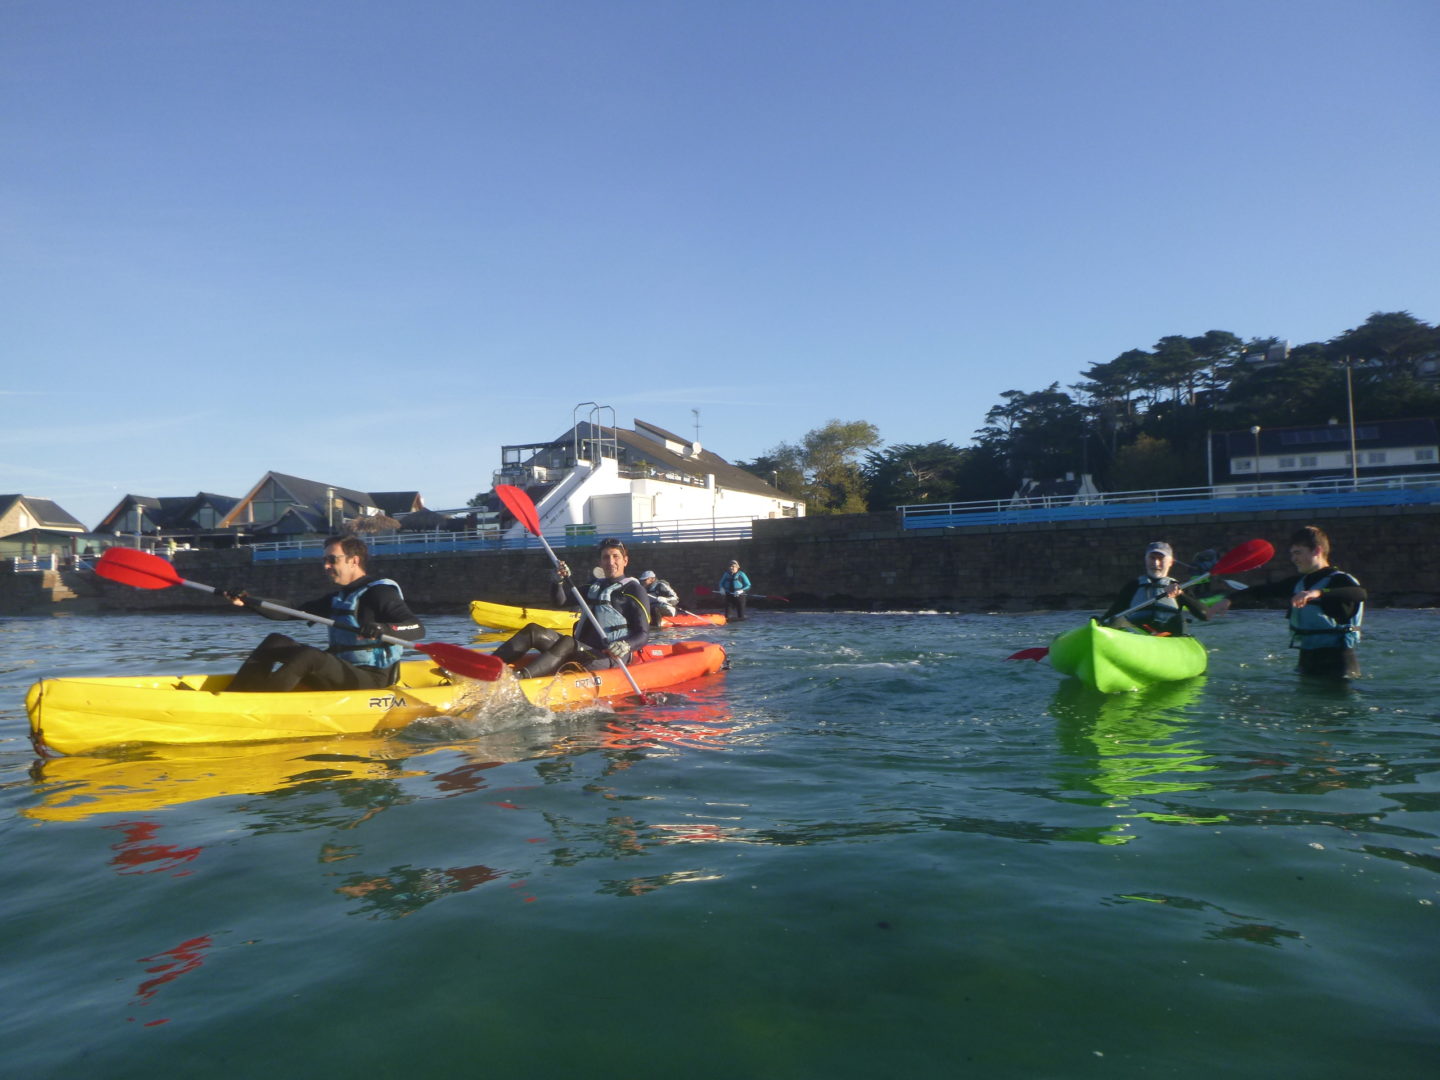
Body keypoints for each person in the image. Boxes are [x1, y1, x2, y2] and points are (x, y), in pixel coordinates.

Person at [224, 534, 424, 692]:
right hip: (342, 670)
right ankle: (237, 693)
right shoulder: (339, 597)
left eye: (332, 559)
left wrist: (383, 628)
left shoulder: (380, 592)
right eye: (324, 560)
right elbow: (291, 611)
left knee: (310, 656)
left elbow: (416, 627)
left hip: (373, 678)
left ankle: (262, 706)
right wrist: (249, 601)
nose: (326, 565)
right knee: (275, 642)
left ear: (354, 561)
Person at [1214, 525, 1366, 679]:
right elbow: (1261, 591)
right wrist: (1229, 599)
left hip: (1339, 663)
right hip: (1306, 660)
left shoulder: (1340, 579)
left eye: (1298, 552)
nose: (1294, 559)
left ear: (1317, 551)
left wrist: (1318, 593)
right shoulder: (1299, 583)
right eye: (1292, 553)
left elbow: (1359, 593)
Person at [492, 537, 650, 677]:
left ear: (625, 560)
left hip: (607, 657)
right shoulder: (592, 587)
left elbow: (643, 634)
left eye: (616, 556)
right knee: (533, 631)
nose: (610, 562)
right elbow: (560, 602)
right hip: (580, 651)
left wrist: (626, 645)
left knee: (567, 642)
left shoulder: (635, 590)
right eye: (605, 557)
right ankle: (489, 665)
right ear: (600, 562)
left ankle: (521, 680)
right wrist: (558, 582)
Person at [1099, 541, 1211, 636]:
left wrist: (1181, 594)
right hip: (1139, 632)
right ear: (1146, 560)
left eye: (1161, 559)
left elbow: (1205, 615)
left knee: (1180, 620)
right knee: (1116, 620)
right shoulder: (1133, 586)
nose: (1156, 563)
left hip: (1169, 632)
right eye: (1152, 558)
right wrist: (1099, 622)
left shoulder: (1179, 586)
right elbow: (1114, 612)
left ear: (1170, 562)